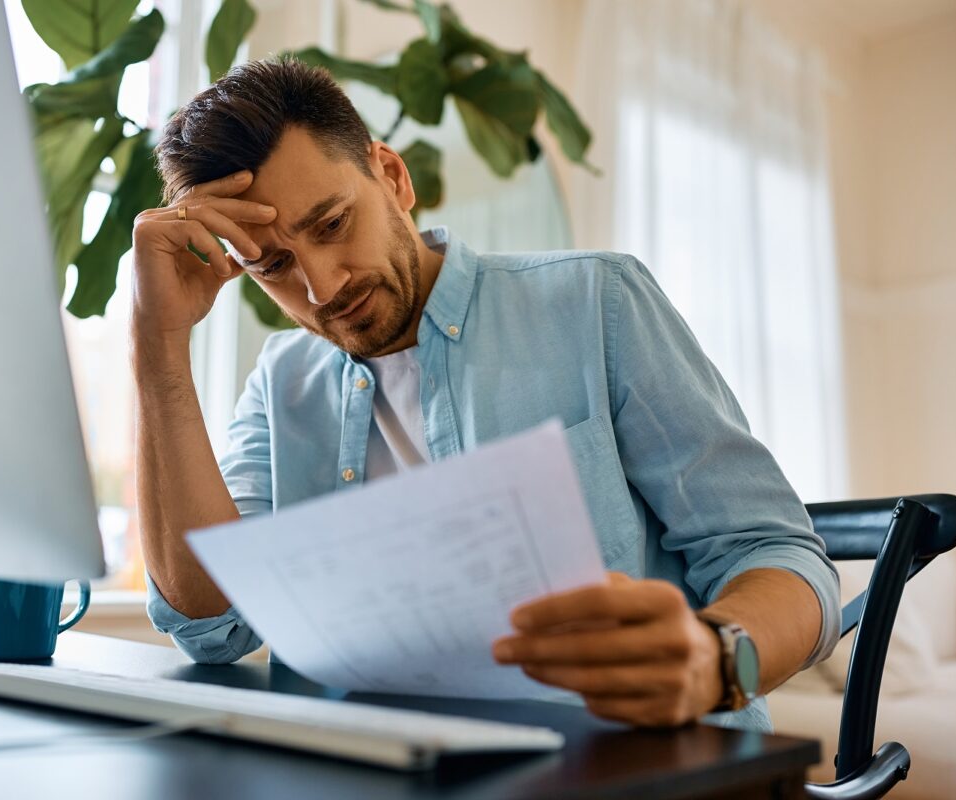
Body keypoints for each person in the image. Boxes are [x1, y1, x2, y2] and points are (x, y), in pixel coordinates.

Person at [131, 57, 839, 731]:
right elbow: (213, 624)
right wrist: (158, 345)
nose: (323, 287)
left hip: (617, 768)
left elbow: (780, 556)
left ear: (391, 176)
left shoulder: (595, 302)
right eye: (274, 265)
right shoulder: (282, 381)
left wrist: (714, 659)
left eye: (332, 224)